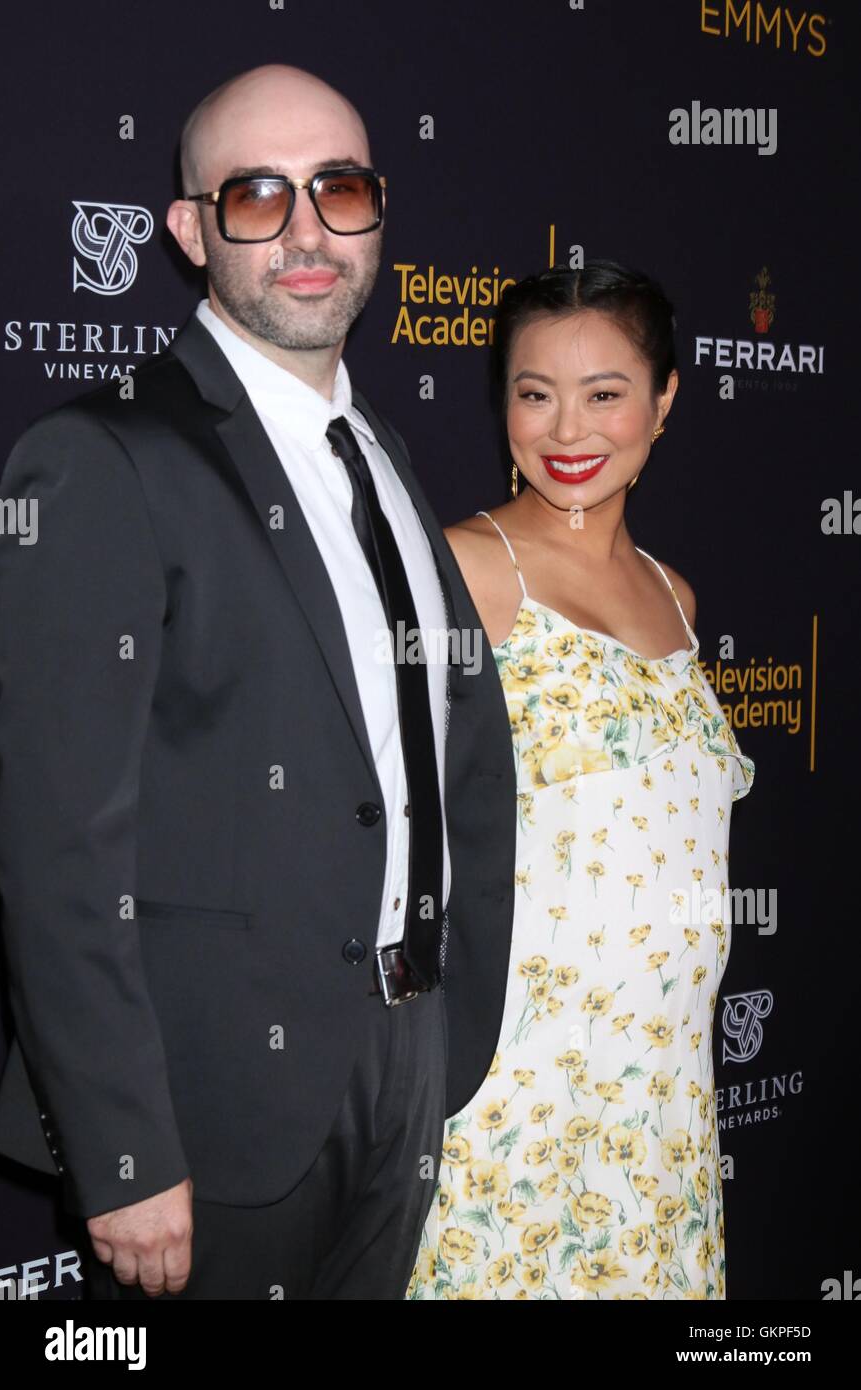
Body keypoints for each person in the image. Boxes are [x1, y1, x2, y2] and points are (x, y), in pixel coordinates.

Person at [0, 63, 517, 1300]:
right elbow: (57, 844)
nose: (302, 231)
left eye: (336, 189)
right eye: (254, 195)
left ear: (376, 214)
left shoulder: (384, 453)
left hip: (405, 1057)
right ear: (187, 229)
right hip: (214, 1100)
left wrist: (435, 1042)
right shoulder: (101, 456)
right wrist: (123, 1152)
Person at [407, 261, 755, 1301]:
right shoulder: (466, 571)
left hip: (662, 1105)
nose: (566, 428)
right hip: (518, 1103)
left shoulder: (673, 593)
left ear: (664, 400)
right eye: (533, 392)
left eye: (603, 392)